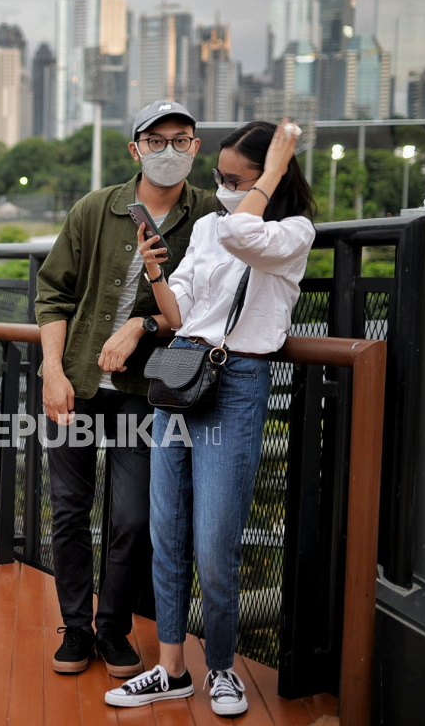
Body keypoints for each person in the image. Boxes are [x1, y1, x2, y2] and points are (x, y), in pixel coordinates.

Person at [106, 120, 315, 716]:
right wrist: (154, 273)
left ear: (271, 182)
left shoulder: (292, 232)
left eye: (234, 179)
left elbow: (247, 232)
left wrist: (271, 173)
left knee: (217, 543)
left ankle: (222, 667)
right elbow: (179, 312)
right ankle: (171, 669)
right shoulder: (205, 226)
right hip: (181, 378)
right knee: (166, 533)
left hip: (238, 382)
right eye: (218, 176)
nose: (220, 187)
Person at [35, 100, 220, 678]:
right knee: (68, 509)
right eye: (157, 139)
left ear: (197, 147)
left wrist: (141, 325)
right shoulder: (96, 208)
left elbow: (200, 310)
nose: (170, 150)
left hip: (147, 392)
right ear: (135, 148)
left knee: (134, 517)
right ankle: (76, 627)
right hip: (77, 385)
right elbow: (53, 294)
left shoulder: (210, 218)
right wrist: (53, 370)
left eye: (182, 139)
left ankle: (113, 628)